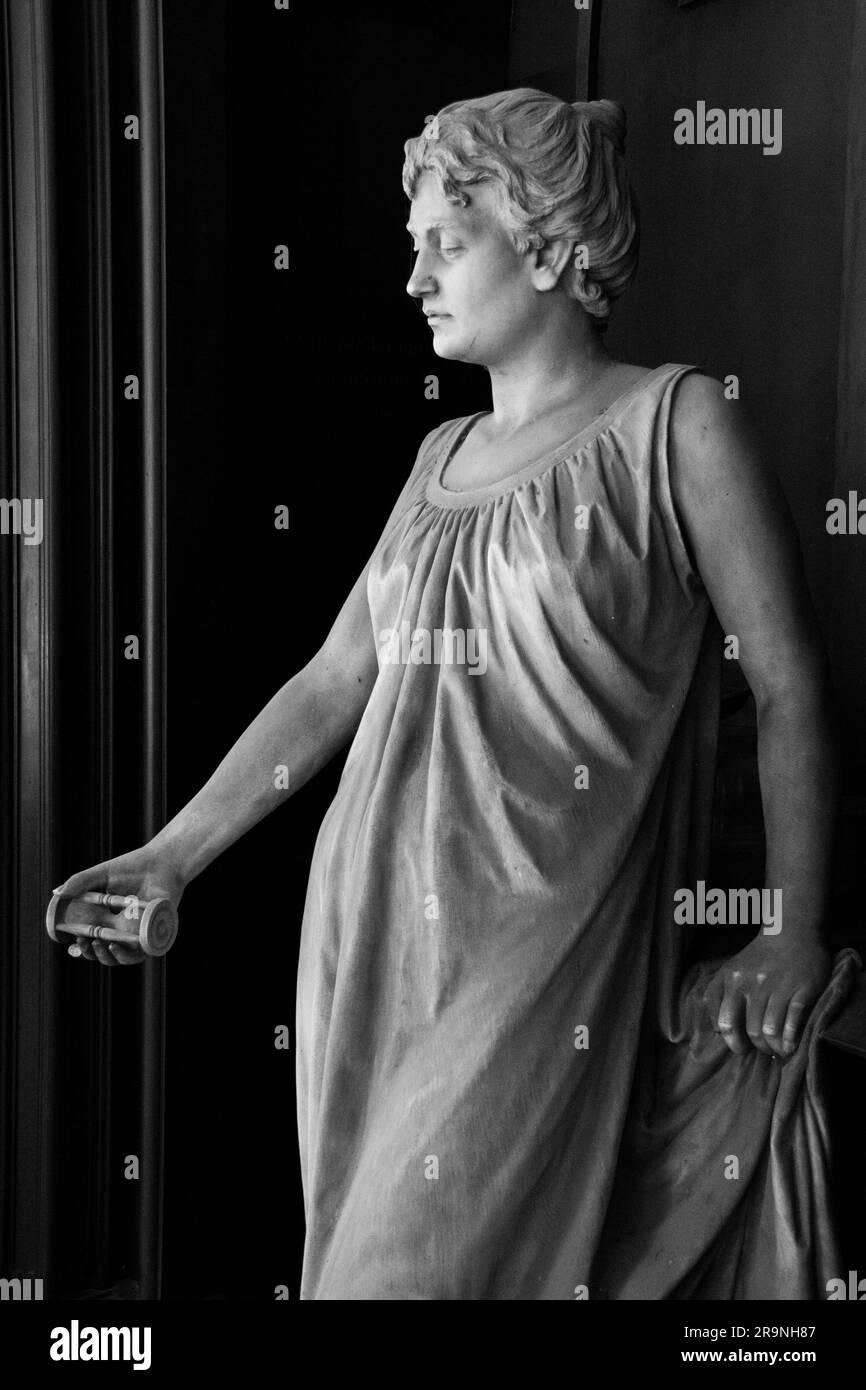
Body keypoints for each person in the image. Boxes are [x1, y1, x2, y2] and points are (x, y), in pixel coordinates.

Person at [55, 89, 859, 1300]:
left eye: (446, 240)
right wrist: (173, 854)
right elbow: (334, 680)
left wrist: (789, 927)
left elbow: (790, 686)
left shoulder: (674, 424)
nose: (416, 277)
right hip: (372, 932)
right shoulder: (438, 462)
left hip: (535, 948)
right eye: (413, 244)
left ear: (546, 244)